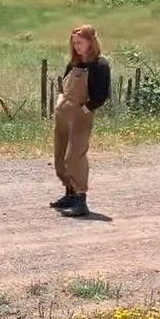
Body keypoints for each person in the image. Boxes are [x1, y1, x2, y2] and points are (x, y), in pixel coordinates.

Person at [51, 25, 109, 218]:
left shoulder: (100, 65)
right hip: (63, 114)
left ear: (91, 42)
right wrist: (61, 102)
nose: (76, 46)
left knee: (74, 155)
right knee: (60, 155)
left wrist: (85, 109)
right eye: (74, 43)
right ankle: (69, 194)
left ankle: (80, 200)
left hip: (81, 116)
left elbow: (101, 94)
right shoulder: (73, 63)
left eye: (80, 42)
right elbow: (64, 86)